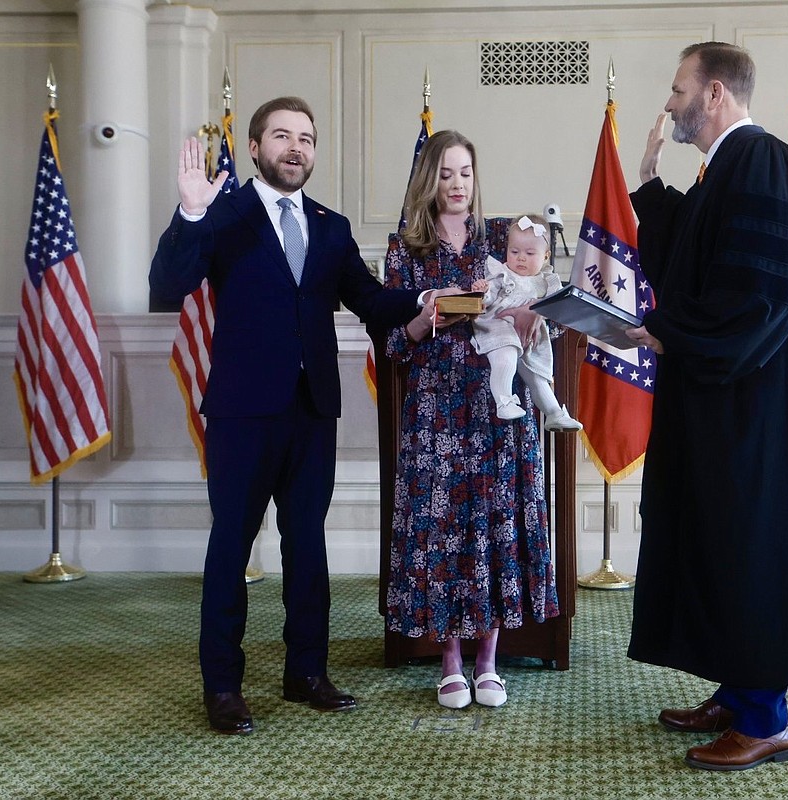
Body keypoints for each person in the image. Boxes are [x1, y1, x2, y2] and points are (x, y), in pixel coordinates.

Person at [149, 96, 456, 735]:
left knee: (307, 547)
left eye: (307, 139)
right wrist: (189, 211)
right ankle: (223, 688)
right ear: (256, 148)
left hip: (312, 410)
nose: (296, 148)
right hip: (240, 412)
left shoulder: (331, 225)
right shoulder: (223, 214)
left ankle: (306, 674)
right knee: (230, 547)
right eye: (282, 136)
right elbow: (167, 286)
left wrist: (422, 300)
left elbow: (368, 298)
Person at [624, 42, 788, 771]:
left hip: (753, 412)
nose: (671, 101)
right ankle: (735, 689)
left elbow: (759, 295)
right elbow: (691, 262)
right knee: (714, 540)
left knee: (748, 546)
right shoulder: (724, 173)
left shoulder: (766, 160)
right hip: (715, 400)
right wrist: (650, 183)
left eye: (678, 87)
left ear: (714, 94)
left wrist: (668, 330)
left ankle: (765, 719)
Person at [382, 130, 560, 710]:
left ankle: (489, 659)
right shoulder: (403, 249)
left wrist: (528, 309)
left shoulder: (502, 236)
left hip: (497, 403)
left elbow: (539, 284)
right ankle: (451, 660)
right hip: (437, 407)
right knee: (447, 531)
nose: (458, 185)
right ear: (427, 180)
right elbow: (391, 344)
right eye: (446, 174)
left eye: (466, 174)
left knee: (495, 526)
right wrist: (424, 317)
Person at [469, 214, 582, 430]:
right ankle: (504, 400)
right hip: (498, 326)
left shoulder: (547, 281)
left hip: (530, 335)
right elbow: (489, 298)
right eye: (515, 252)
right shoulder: (502, 273)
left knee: (537, 374)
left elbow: (558, 305)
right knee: (505, 358)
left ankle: (554, 413)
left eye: (530, 253)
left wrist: (541, 307)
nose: (521, 258)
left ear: (546, 256)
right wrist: (482, 292)